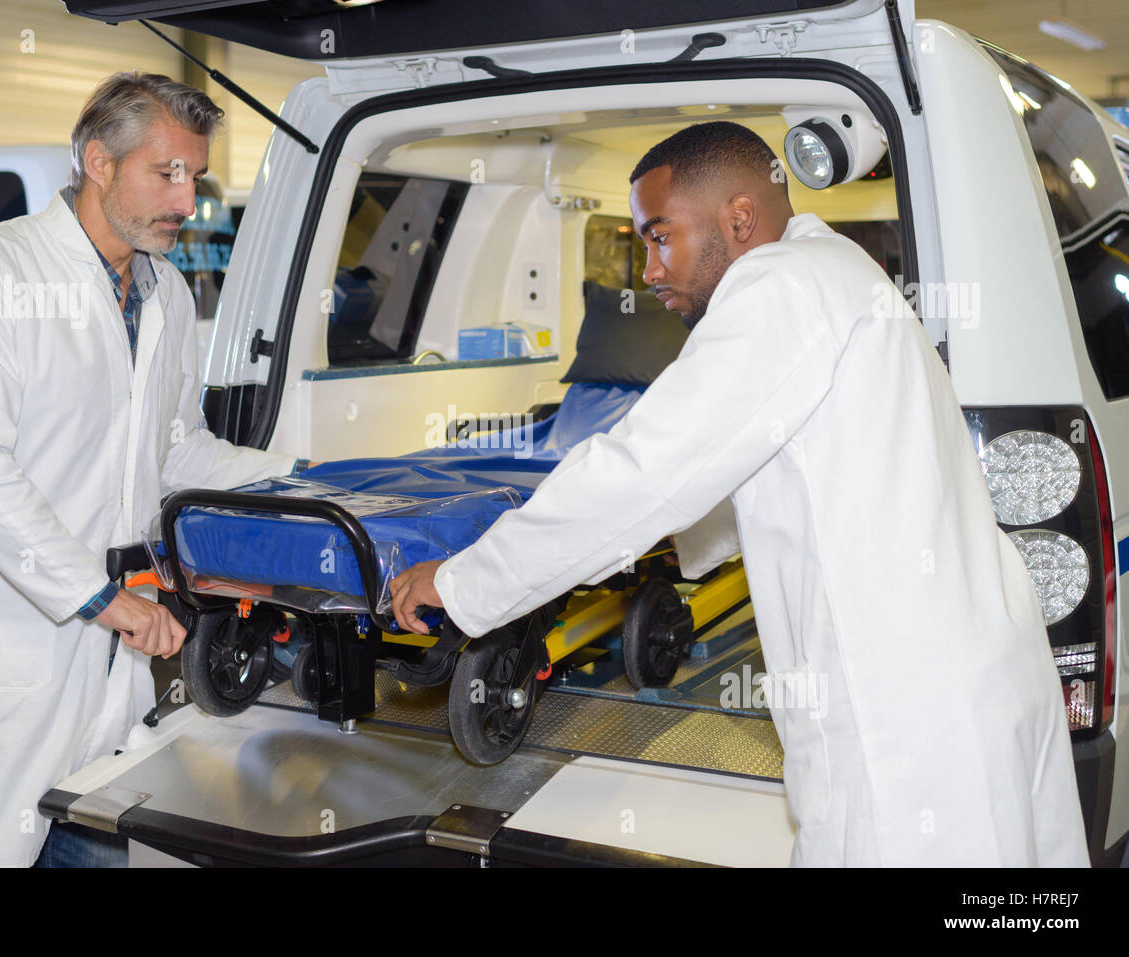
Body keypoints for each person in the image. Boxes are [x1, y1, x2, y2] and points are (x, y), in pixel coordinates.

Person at [388, 121, 1089, 866]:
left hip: (903, 734)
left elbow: (639, 471)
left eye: (660, 238)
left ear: (740, 219)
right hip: (982, 688)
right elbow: (756, 465)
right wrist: (663, 541)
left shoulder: (776, 289)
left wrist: (463, 582)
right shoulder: (839, 270)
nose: (649, 271)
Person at [0, 72, 305, 867]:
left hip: (109, 673)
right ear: (99, 161)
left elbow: (175, 449)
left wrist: (300, 475)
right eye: (168, 174)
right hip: (11, 646)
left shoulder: (169, 295)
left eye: (195, 177)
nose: (188, 202)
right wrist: (102, 597)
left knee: (95, 849)